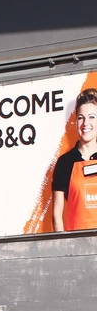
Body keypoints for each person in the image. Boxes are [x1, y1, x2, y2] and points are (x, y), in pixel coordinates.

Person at [52, 88, 97, 232]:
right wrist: (64, 248)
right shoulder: (64, 163)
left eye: (92, 117)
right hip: (77, 249)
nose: (86, 123)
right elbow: (56, 215)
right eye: (81, 117)